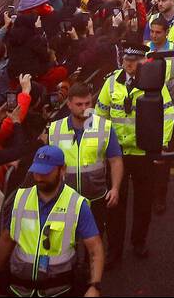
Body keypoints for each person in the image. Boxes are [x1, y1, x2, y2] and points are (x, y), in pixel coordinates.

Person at [0, 144, 104, 297]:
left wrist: (94, 286)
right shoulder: (21, 198)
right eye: (37, 172)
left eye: (46, 173)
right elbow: (6, 240)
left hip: (58, 290)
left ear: (62, 170)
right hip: (19, 289)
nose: (39, 177)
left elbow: (95, 248)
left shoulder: (77, 204)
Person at [97, 46, 173, 267]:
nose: (130, 64)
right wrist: (102, 146)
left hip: (143, 152)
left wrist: (162, 143)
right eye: (127, 60)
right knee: (115, 204)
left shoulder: (155, 82)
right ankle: (114, 250)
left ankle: (138, 242)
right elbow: (101, 113)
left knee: (143, 201)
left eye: (135, 60)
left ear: (143, 61)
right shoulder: (111, 82)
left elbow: (167, 113)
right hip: (117, 154)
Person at [46, 82, 124, 233]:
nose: (84, 108)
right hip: (66, 200)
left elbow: (115, 160)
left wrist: (115, 189)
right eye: (79, 104)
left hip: (96, 199)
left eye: (87, 103)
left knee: (95, 244)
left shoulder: (105, 127)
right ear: (69, 104)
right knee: (68, 246)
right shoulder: (55, 129)